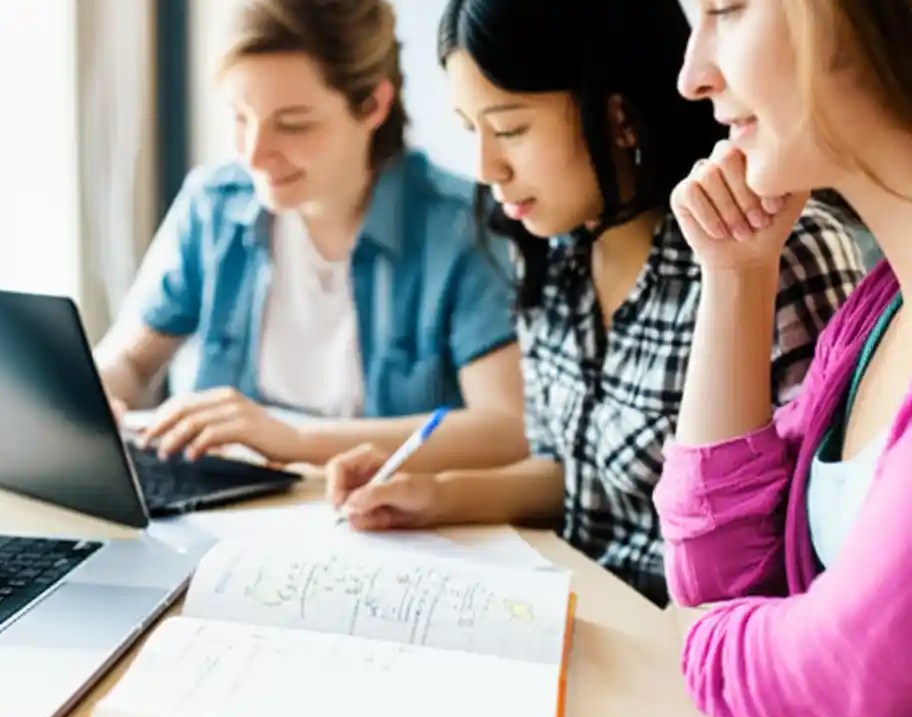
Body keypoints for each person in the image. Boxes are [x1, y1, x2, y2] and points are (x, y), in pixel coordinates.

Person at [326, 0, 866, 606]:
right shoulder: (554, 254)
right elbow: (573, 478)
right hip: (576, 608)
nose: (486, 168)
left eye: (510, 130)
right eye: (470, 130)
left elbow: (817, 532)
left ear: (619, 117)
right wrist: (432, 492)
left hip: (696, 635)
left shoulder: (773, 249)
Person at [95, 0, 528, 471]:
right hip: (218, 506)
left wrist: (295, 440)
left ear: (373, 105)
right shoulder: (213, 206)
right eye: (240, 117)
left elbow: (506, 428)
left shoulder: (461, 226)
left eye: (292, 125)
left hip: (370, 509)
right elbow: (130, 361)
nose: (254, 155)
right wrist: (98, 395)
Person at [655, 0, 912, 716]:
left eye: (726, 10)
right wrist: (737, 274)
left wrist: (700, 636)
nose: (691, 76)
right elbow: (716, 567)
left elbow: (843, 670)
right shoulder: (877, 315)